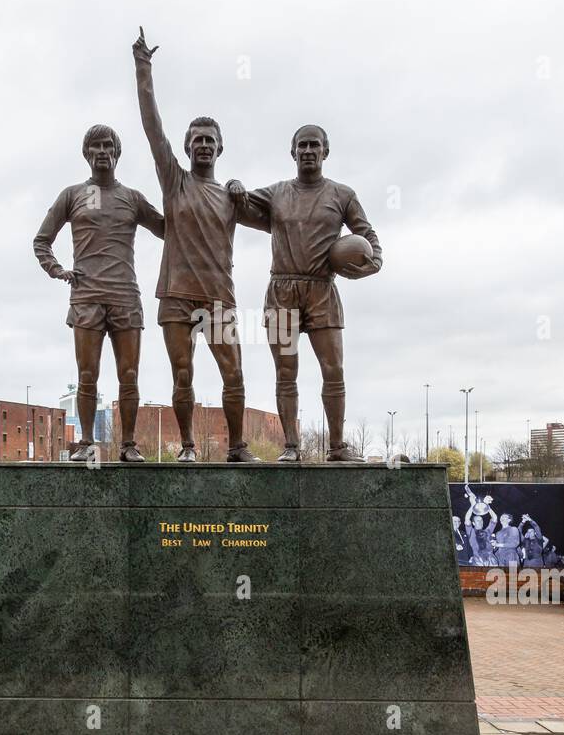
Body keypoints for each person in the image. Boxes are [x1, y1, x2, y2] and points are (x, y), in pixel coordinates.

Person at [132, 26, 259, 463]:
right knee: (181, 374)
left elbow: (279, 218)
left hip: (219, 296)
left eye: (210, 140)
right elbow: (152, 129)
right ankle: (187, 446)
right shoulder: (175, 181)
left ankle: (238, 447)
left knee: (234, 372)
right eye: (196, 139)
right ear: (186, 147)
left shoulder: (232, 195)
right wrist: (143, 68)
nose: (203, 144)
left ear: (220, 148)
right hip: (176, 296)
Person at [228, 124, 382, 461]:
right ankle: (291, 446)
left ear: (325, 151)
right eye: (302, 145)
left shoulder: (343, 195)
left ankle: (338, 446)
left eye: (314, 145)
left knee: (334, 369)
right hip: (282, 293)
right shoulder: (277, 193)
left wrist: (368, 267)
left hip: (322, 292)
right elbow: (239, 204)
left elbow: (370, 240)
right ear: (293, 152)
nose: (308, 151)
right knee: (285, 372)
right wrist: (234, 186)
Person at [35, 124, 164, 462]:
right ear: (87, 153)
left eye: (108, 145)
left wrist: (187, 204)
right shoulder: (73, 195)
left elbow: (168, 229)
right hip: (86, 298)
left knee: (129, 375)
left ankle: (129, 444)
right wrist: (57, 269)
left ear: (117, 153)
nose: (103, 151)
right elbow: (42, 240)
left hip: (125, 297)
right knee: (87, 375)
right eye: (96, 146)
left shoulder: (132, 198)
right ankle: (88, 443)